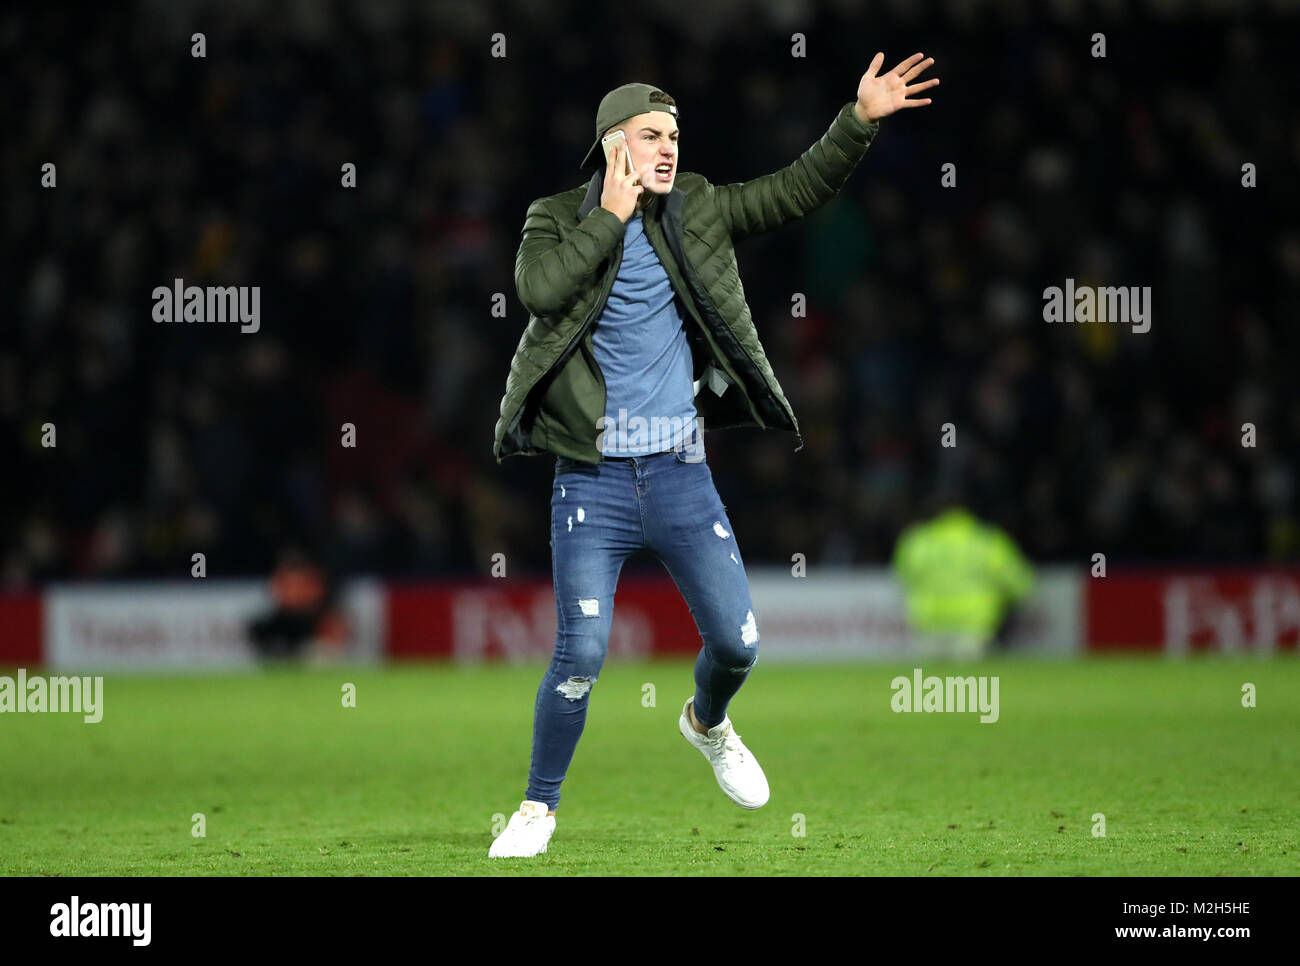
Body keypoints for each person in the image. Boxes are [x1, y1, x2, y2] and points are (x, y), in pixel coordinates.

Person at [489, 55, 940, 858]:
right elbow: (539, 291)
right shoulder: (554, 215)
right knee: (582, 651)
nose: (668, 149)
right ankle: (537, 808)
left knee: (738, 645)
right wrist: (611, 217)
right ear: (612, 145)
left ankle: (707, 722)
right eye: (652, 136)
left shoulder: (693, 205)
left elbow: (793, 191)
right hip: (591, 478)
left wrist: (858, 120)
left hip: (678, 474)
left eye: (674, 136)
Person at [892, 505, 1034, 661]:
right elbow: (1019, 583)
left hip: (929, 625)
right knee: (973, 682)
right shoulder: (987, 540)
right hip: (974, 627)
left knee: (927, 682)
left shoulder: (919, 541)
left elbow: (903, 578)